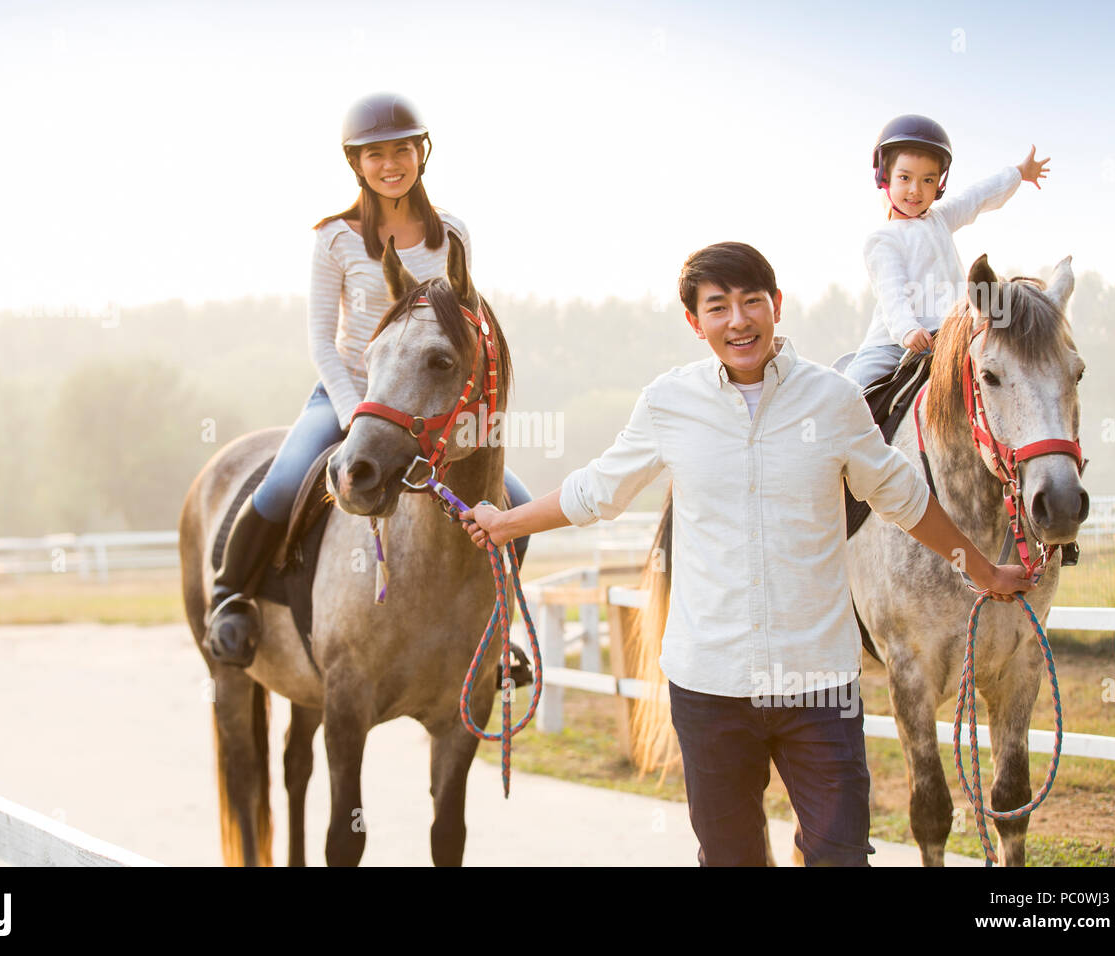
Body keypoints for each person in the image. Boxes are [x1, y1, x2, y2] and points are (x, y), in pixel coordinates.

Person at [458, 242, 1033, 866]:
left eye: (751, 301)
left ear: (776, 306)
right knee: (732, 857)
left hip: (819, 687)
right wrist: (507, 522)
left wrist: (985, 571)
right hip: (710, 686)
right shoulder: (668, 403)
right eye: (718, 307)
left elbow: (905, 499)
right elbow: (597, 490)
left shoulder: (833, 401)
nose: (738, 320)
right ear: (694, 322)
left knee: (841, 856)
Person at [205, 92, 534, 665]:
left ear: (420, 155)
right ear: (355, 163)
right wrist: (356, 409)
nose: (389, 164)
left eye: (401, 150)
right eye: (374, 153)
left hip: (428, 403)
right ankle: (231, 596)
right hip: (350, 393)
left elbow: (466, 329)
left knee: (516, 508)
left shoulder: (451, 234)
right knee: (283, 485)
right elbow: (320, 340)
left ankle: (491, 631)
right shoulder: (333, 237)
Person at [843, 114, 1050, 390]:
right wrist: (907, 330)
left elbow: (976, 198)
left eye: (928, 180)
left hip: (950, 337)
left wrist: (1018, 173)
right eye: (905, 178)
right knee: (851, 391)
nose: (916, 190)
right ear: (885, 176)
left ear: (939, 184)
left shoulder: (940, 219)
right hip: (893, 344)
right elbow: (892, 292)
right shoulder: (883, 240)